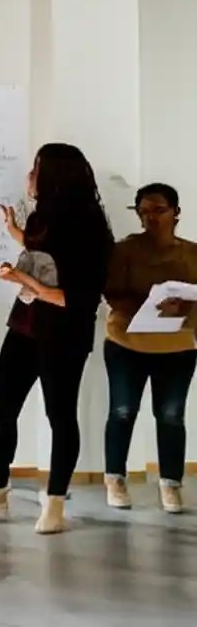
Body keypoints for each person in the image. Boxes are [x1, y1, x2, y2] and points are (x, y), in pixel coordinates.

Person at [0, 143, 114, 534]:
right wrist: (11, 226)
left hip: (64, 333)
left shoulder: (91, 229)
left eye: (35, 170)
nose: (28, 177)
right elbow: (39, 248)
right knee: (2, 410)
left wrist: (20, 279)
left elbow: (77, 298)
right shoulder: (43, 217)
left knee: (59, 417)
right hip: (25, 326)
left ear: (55, 178)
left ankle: (55, 503)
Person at [101, 183, 197, 513]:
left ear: (176, 212)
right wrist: (150, 303)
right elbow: (112, 292)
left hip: (177, 345)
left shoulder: (192, 252)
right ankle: (115, 478)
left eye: (158, 210)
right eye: (143, 211)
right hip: (127, 342)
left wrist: (180, 306)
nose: (150, 218)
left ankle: (170, 484)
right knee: (122, 411)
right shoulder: (125, 250)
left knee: (171, 415)